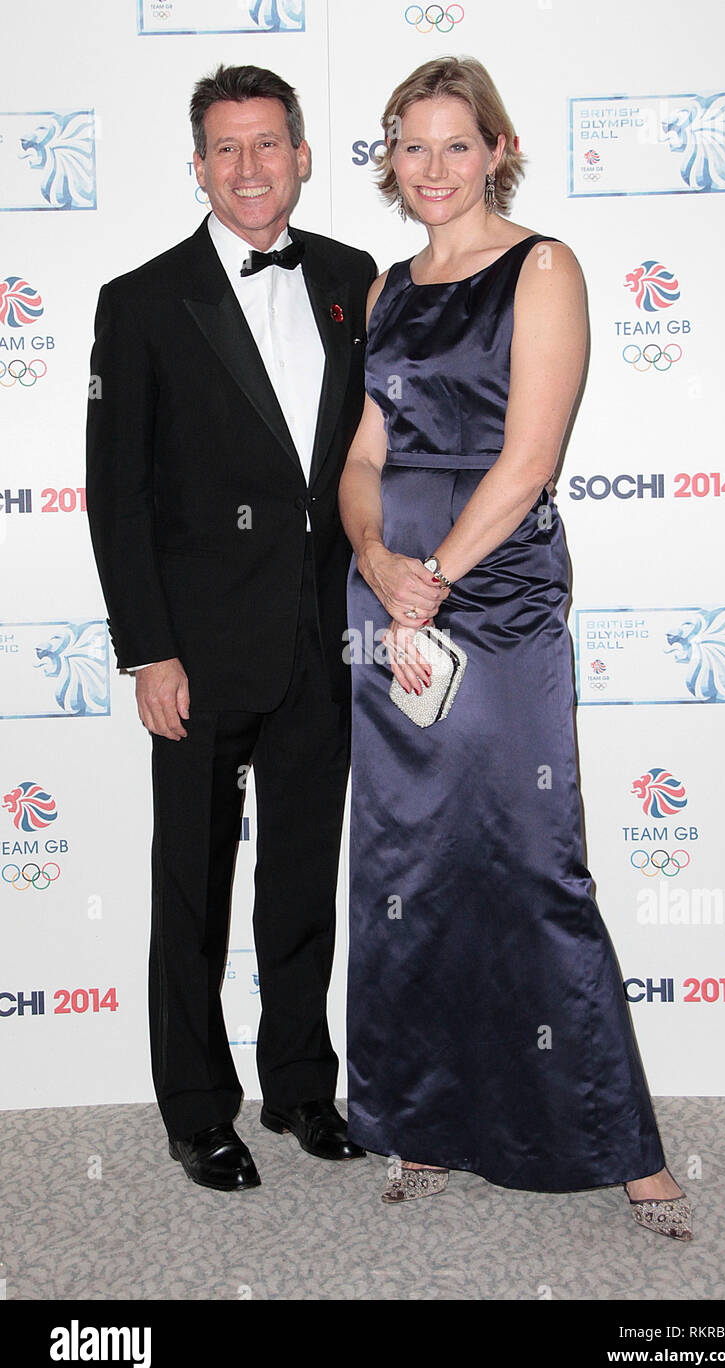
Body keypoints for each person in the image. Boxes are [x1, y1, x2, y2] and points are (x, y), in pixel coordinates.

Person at [338, 56, 692, 1240]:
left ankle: (617, 1139)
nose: (434, 168)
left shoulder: (544, 267)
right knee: (408, 865)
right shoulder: (384, 287)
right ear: (391, 159)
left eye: (456, 144)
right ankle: (421, 1116)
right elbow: (360, 457)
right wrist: (380, 564)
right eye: (412, 145)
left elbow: (530, 457)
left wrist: (432, 579)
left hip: (494, 590)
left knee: (534, 859)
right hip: (389, 600)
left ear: (496, 149)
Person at [86, 64, 376, 1191]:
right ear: (198, 165)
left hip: (320, 633)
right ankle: (198, 1109)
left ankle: (302, 1084)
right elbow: (118, 494)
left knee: (302, 877)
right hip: (197, 652)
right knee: (193, 889)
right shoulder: (144, 298)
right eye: (227, 148)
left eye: (270, 144)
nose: (250, 167)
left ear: (302, 156)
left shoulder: (354, 279)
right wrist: (149, 648)